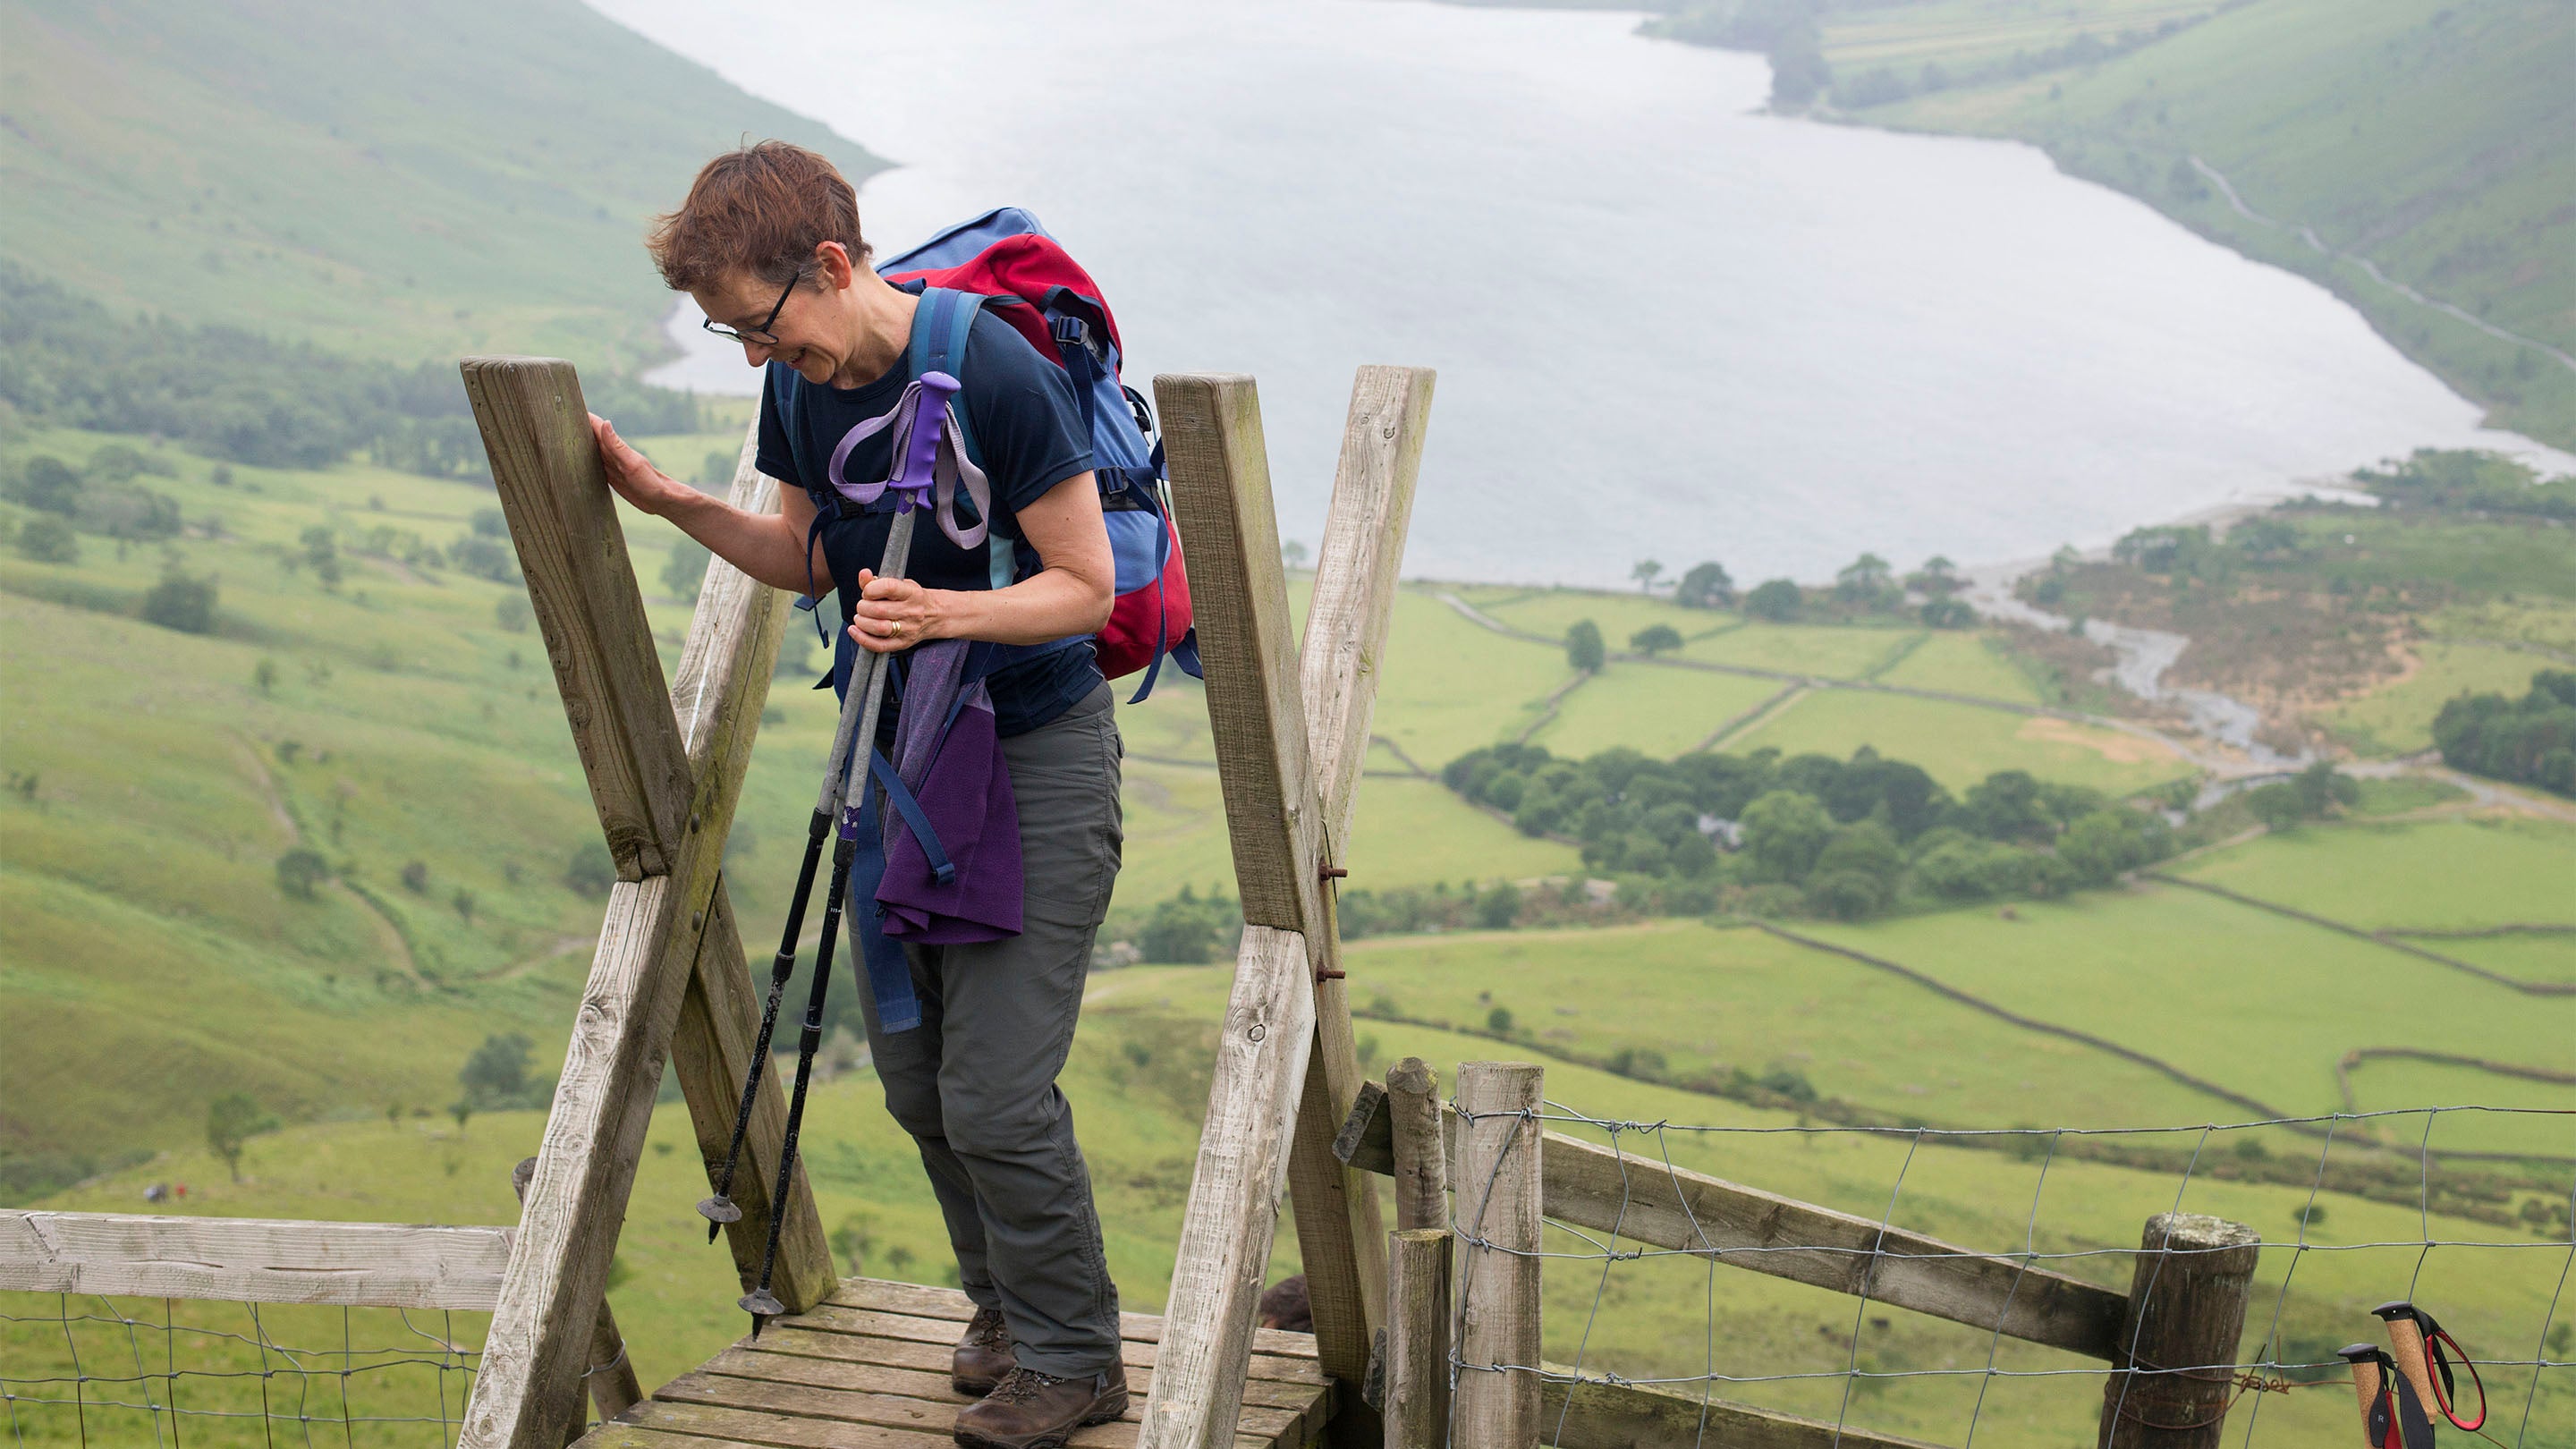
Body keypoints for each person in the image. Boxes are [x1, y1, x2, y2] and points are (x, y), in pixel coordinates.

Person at [592, 140, 1127, 1449]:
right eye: (733, 340)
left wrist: (947, 609)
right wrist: (666, 502)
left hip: (1036, 755)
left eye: (764, 327)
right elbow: (804, 555)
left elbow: (1087, 585)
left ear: (832, 266)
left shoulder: (994, 366)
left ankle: (1079, 1360)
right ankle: (1008, 1314)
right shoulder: (797, 393)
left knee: (997, 1091)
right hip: (904, 758)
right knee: (913, 1073)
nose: (766, 360)